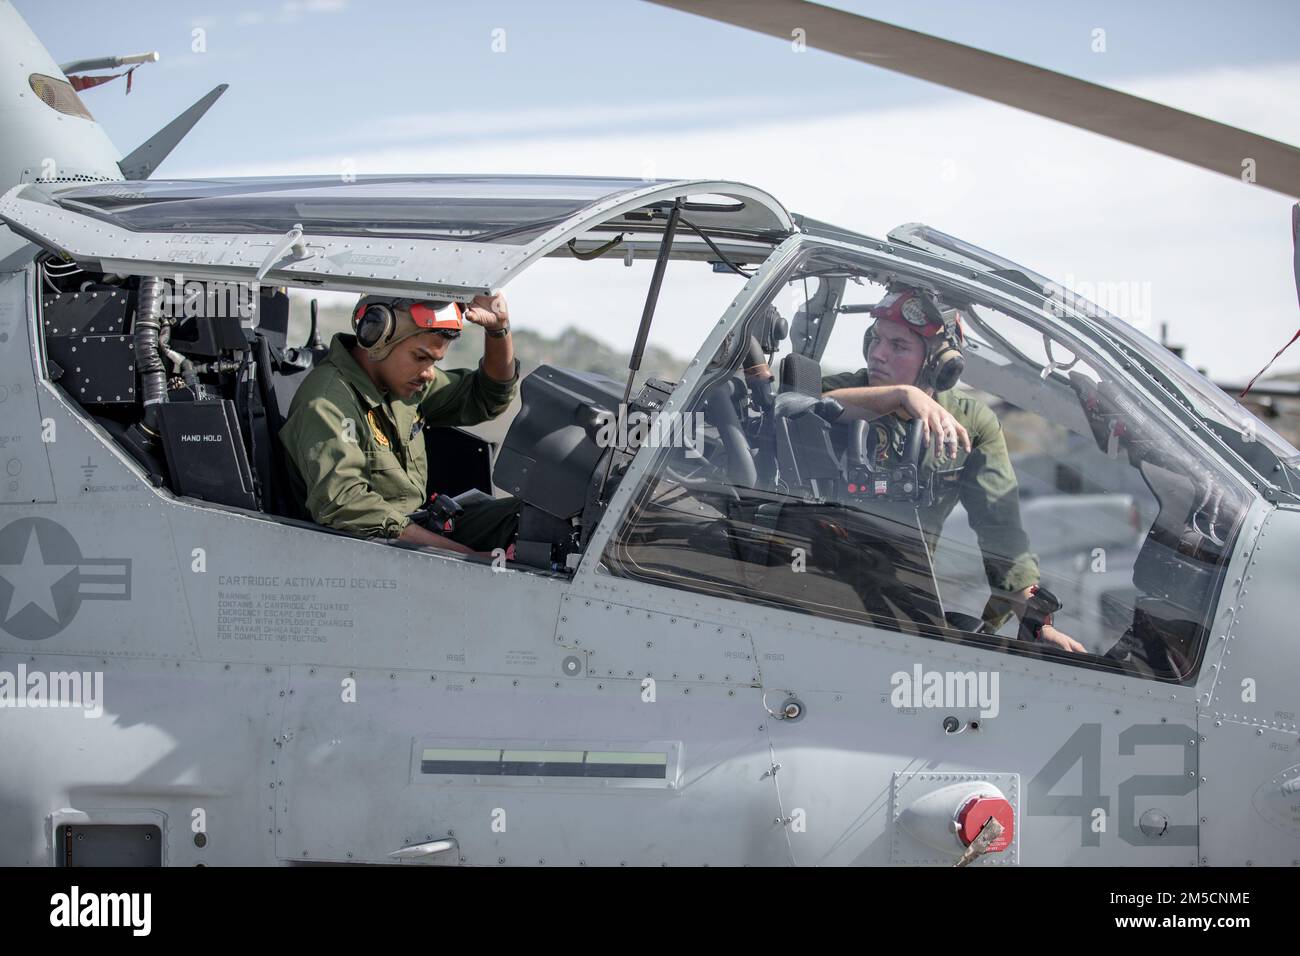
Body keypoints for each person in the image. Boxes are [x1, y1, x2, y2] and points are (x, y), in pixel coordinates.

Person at [821, 287, 1085, 653]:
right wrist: (902, 396)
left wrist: (1036, 622)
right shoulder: (844, 391)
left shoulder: (970, 422)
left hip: (901, 592)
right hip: (817, 580)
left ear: (937, 363)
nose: (878, 354)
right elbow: (808, 404)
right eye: (876, 339)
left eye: (898, 346)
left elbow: (1000, 526)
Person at [280, 292, 521, 557]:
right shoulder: (327, 402)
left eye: (434, 361)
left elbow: (486, 396)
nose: (429, 373)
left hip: (413, 528)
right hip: (366, 549)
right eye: (420, 357)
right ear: (377, 336)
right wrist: (466, 557)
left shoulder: (400, 382)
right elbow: (347, 505)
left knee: (532, 519)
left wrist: (498, 330)